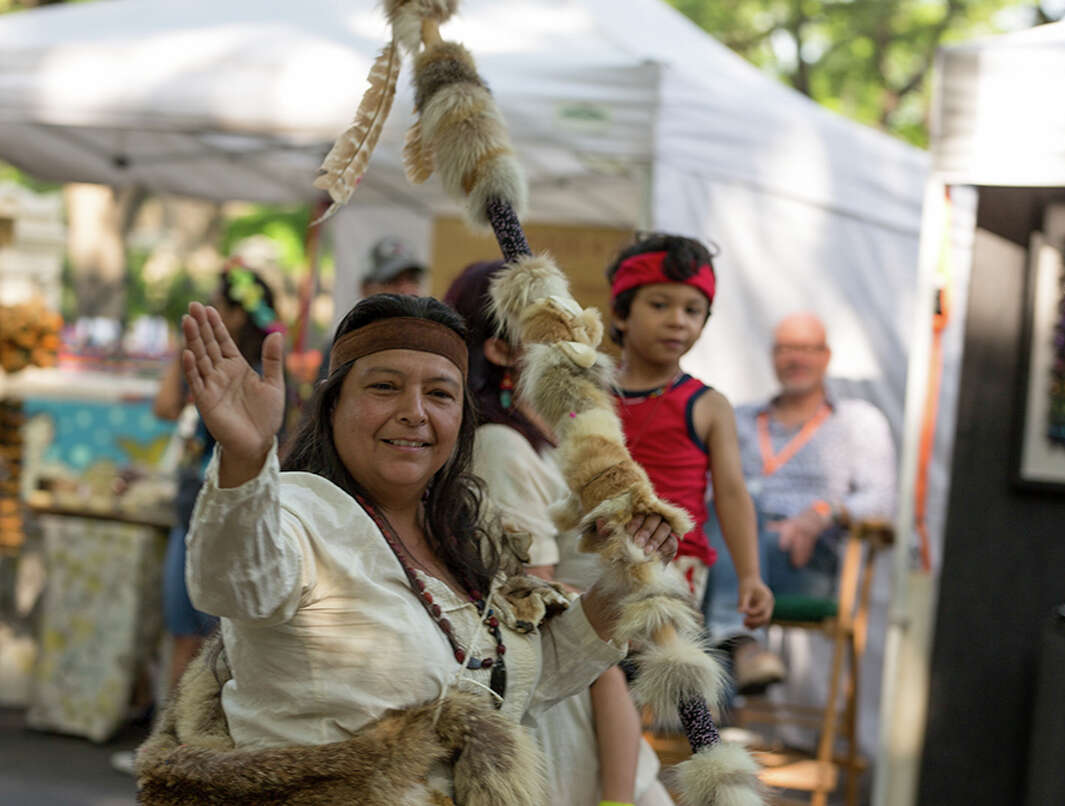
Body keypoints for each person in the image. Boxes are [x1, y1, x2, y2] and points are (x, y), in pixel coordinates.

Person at [136, 292, 679, 803]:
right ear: (333, 406)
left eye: (439, 394)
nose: (414, 411)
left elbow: (516, 684)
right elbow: (233, 582)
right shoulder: (298, 511)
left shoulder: (465, 538)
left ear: (461, 418)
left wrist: (623, 576)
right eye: (384, 387)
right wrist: (245, 459)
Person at [444, 261, 673, 806]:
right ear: (500, 350)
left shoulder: (547, 436)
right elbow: (533, 593)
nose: (570, 335)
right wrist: (613, 604)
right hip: (565, 684)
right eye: (547, 326)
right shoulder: (500, 445)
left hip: (594, 652)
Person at [703, 312, 896, 693]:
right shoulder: (738, 418)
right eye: (787, 349)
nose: (796, 358)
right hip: (732, 543)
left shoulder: (858, 421)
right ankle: (740, 652)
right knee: (732, 505)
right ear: (773, 356)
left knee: (723, 536)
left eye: (807, 348)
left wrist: (823, 513)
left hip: (804, 561)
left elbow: (882, 499)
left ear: (826, 356)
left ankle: (729, 654)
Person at [606, 232, 773, 624]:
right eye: (659, 305)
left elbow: (731, 493)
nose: (677, 321)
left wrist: (750, 576)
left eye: (693, 310)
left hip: (674, 569)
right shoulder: (590, 395)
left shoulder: (709, 406)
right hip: (590, 562)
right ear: (622, 314)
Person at [151, 260, 285, 692]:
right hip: (192, 510)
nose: (209, 312)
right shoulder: (211, 369)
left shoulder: (256, 381)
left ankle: (200, 730)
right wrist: (186, 351)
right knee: (187, 633)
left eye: (217, 306)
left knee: (217, 641)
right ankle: (173, 731)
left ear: (238, 314)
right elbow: (166, 408)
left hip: (229, 517)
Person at [316, 236, 428, 380]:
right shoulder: (343, 348)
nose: (406, 290)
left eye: (413, 280)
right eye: (393, 280)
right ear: (365, 288)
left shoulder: (431, 348)